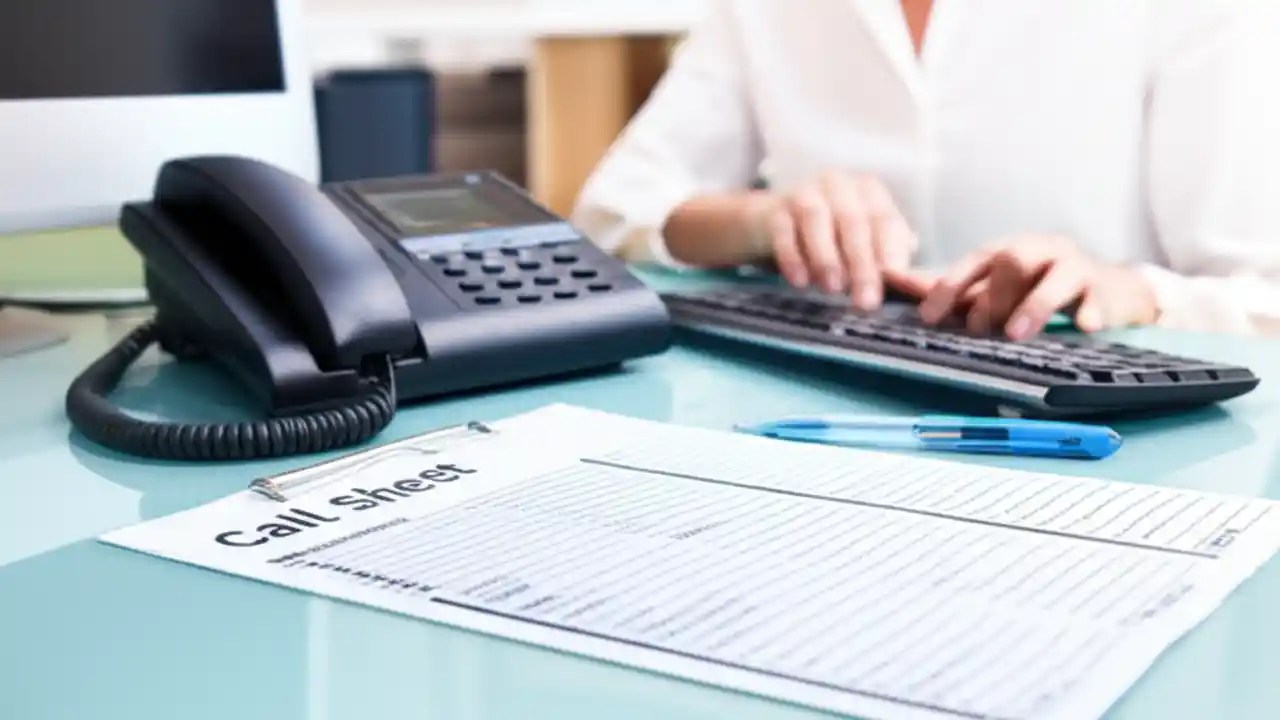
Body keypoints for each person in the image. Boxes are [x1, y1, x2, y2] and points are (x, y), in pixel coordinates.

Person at [572, 0, 1280, 338]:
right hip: (836, 395)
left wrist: (1126, 291)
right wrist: (762, 217)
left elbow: (1264, 294)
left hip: (1110, 423)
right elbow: (609, 212)